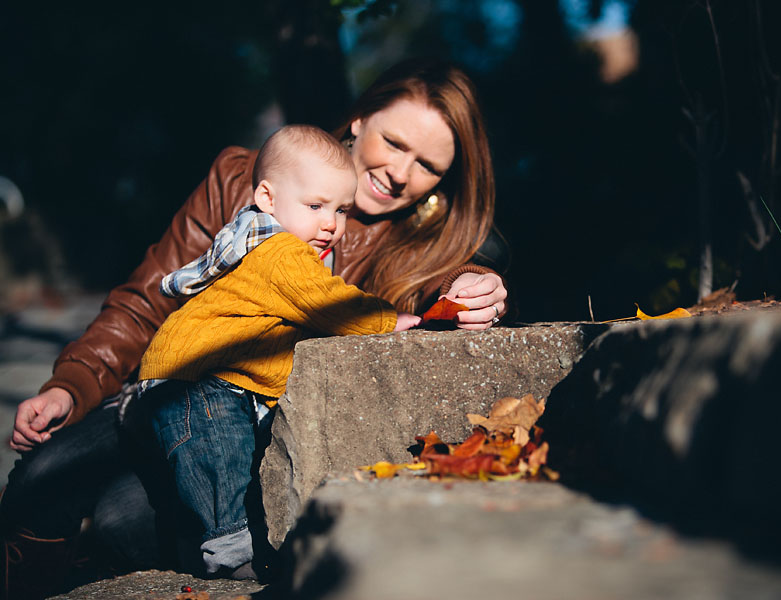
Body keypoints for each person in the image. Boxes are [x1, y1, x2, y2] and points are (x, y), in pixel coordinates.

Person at [1, 58, 508, 596]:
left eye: (428, 165)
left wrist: (474, 282)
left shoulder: (427, 244)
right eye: (395, 142)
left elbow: (445, 285)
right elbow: (147, 298)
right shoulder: (240, 176)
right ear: (359, 119)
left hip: (251, 427)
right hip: (169, 389)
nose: (402, 172)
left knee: (119, 523)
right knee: (42, 475)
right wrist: (72, 383)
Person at [140, 124, 420, 580]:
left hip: (209, 376)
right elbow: (329, 304)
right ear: (268, 198)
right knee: (222, 457)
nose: (331, 223)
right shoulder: (279, 251)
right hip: (195, 378)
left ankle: (203, 547)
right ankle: (231, 553)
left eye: (341, 210)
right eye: (315, 206)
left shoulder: (266, 242)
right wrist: (390, 321)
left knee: (222, 461)